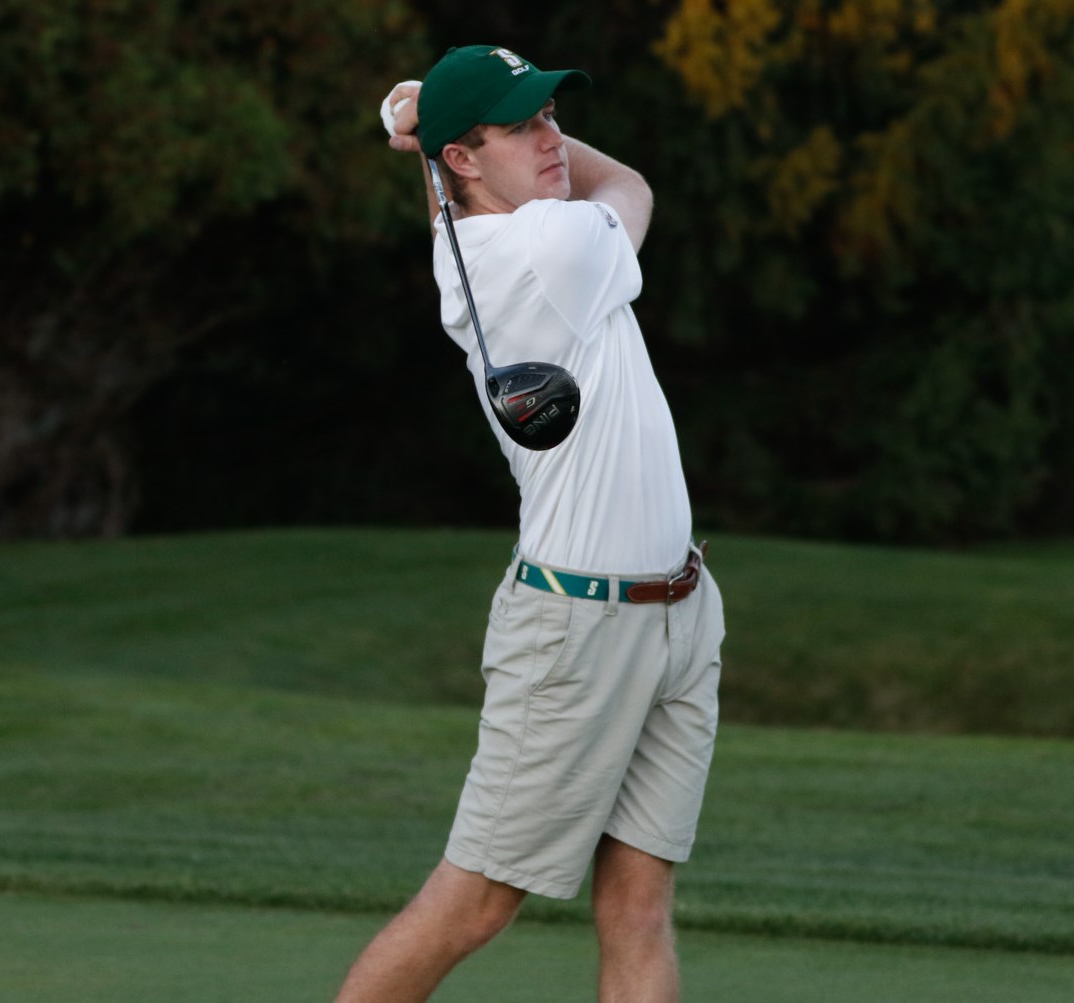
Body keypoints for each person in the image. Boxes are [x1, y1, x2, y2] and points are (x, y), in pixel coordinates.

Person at [335, 45, 724, 1003]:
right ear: (463, 161)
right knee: (476, 903)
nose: (553, 139)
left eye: (554, 115)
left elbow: (483, 186)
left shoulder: (470, 229)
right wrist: (425, 122)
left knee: (639, 908)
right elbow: (626, 181)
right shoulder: (557, 246)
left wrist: (433, 127)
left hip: (679, 608)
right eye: (522, 126)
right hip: (575, 630)